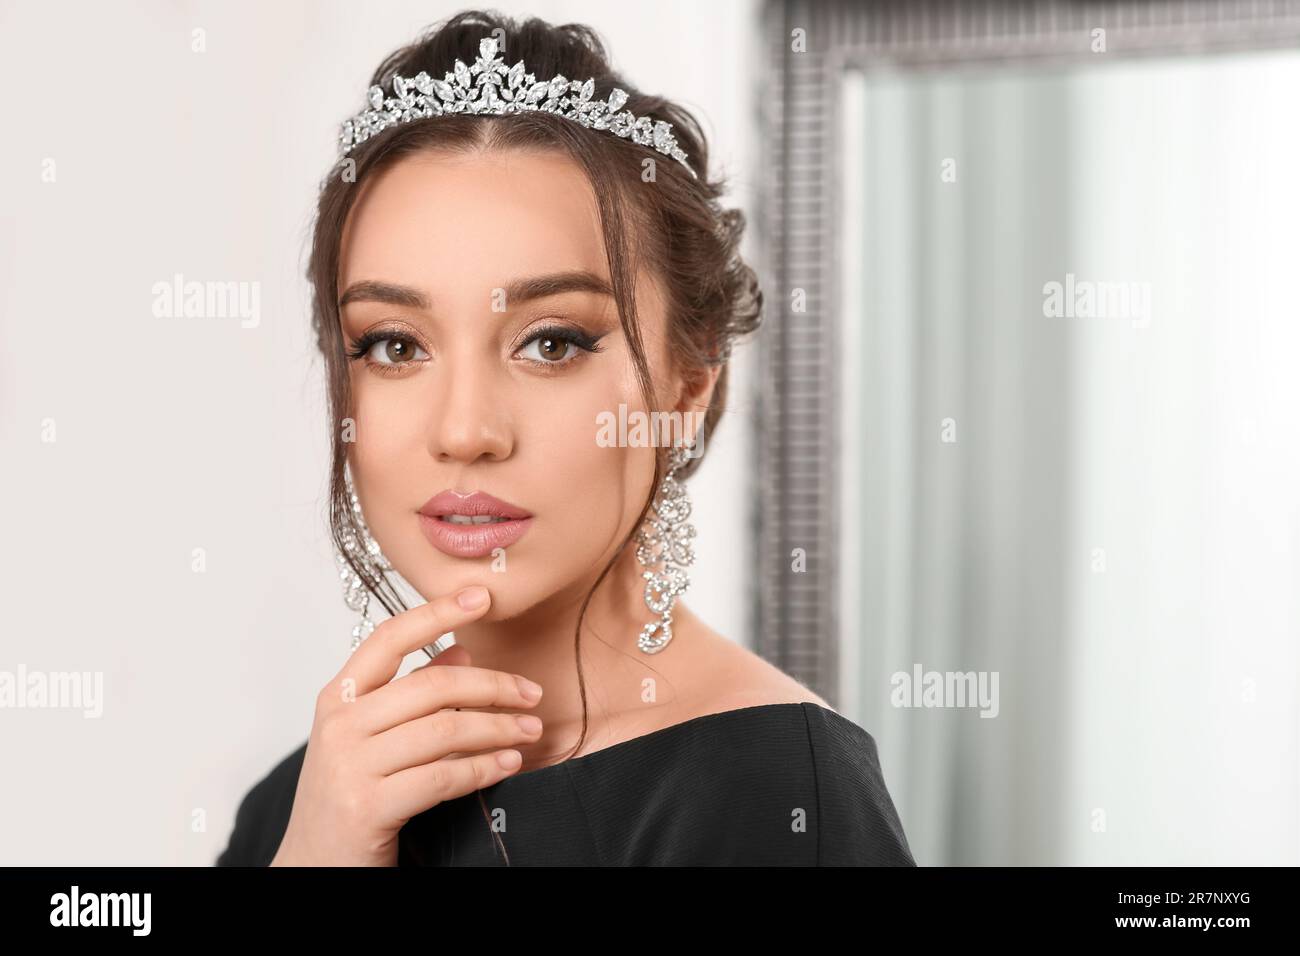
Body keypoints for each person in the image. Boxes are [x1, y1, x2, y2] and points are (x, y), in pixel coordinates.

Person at [216, 9, 914, 867]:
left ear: (689, 382)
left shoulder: (775, 793)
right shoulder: (306, 804)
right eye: (394, 345)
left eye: (551, 342)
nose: (464, 431)